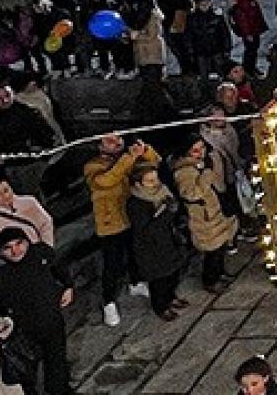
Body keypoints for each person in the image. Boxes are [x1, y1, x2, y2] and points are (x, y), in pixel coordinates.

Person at [0, 230, 71, 395]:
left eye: (19, 243)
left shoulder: (41, 252)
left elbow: (59, 267)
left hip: (51, 320)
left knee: (57, 361)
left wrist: (68, 286)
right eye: (8, 248)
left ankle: (60, 390)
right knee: (26, 372)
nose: (15, 251)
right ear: (0, 251)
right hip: (22, 332)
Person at [83, 133, 158, 327]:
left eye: (119, 139)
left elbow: (154, 162)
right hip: (110, 223)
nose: (117, 143)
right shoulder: (93, 166)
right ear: (99, 145)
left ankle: (136, 282)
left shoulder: (128, 158)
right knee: (113, 265)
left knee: (135, 253)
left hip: (131, 216)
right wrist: (129, 158)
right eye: (110, 141)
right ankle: (108, 301)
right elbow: (106, 181)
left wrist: (145, 150)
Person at [127, 164, 192, 320]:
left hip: (169, 242)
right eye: (149, 181)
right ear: (138, 184)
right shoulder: (136, 204)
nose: (155, 184)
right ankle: (161, 307)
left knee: (173, 274)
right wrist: (167, 214)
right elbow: (148, 231)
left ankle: (171, 297)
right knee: (159, 281)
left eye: (156, 179)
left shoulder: (163, 193)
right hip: (152, 249)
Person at [173, 140, 236, 291]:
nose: (200, 152)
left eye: (202, 148)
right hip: (203, 217)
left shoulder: (204, 163)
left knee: (220, 247)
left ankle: (220, 273)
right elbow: (192, 194)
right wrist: (206, 175)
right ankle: (210, 281)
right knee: (212, 251)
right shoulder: (184, 171)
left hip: (216, 212)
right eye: (195, 150)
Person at [0, 178, 54, 262]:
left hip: (38, 252)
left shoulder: (29, 201)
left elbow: (46, 224)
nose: (5, 196)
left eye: (6, 190)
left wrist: (46, 249)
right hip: (11, 263)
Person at [185, 0, 233, 84]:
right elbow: (188, 35)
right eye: (202, 4)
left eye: (207, 3)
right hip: (200, 51)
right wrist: (190, 50)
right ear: (197, 5)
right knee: (203, 75)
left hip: (216, 49)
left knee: (222, 72)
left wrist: (227, 49)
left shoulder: (217, 16)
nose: (205, 6)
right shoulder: (192, 18)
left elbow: (225, 34)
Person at [154, 0, 195, 76]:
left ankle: (193, 69)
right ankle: (185, 68)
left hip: (185, 22)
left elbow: (190, 6)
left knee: (189, 48)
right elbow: (163, 9)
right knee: (177, 49)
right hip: (170, 23)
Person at [227, 0, 268, 78]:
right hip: (250, 32)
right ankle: (249, 69)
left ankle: (251, 68)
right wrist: (248, 33)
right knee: (250, 50)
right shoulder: (243, 2)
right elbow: (243, 20)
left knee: (253, 50)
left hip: (253, 30)